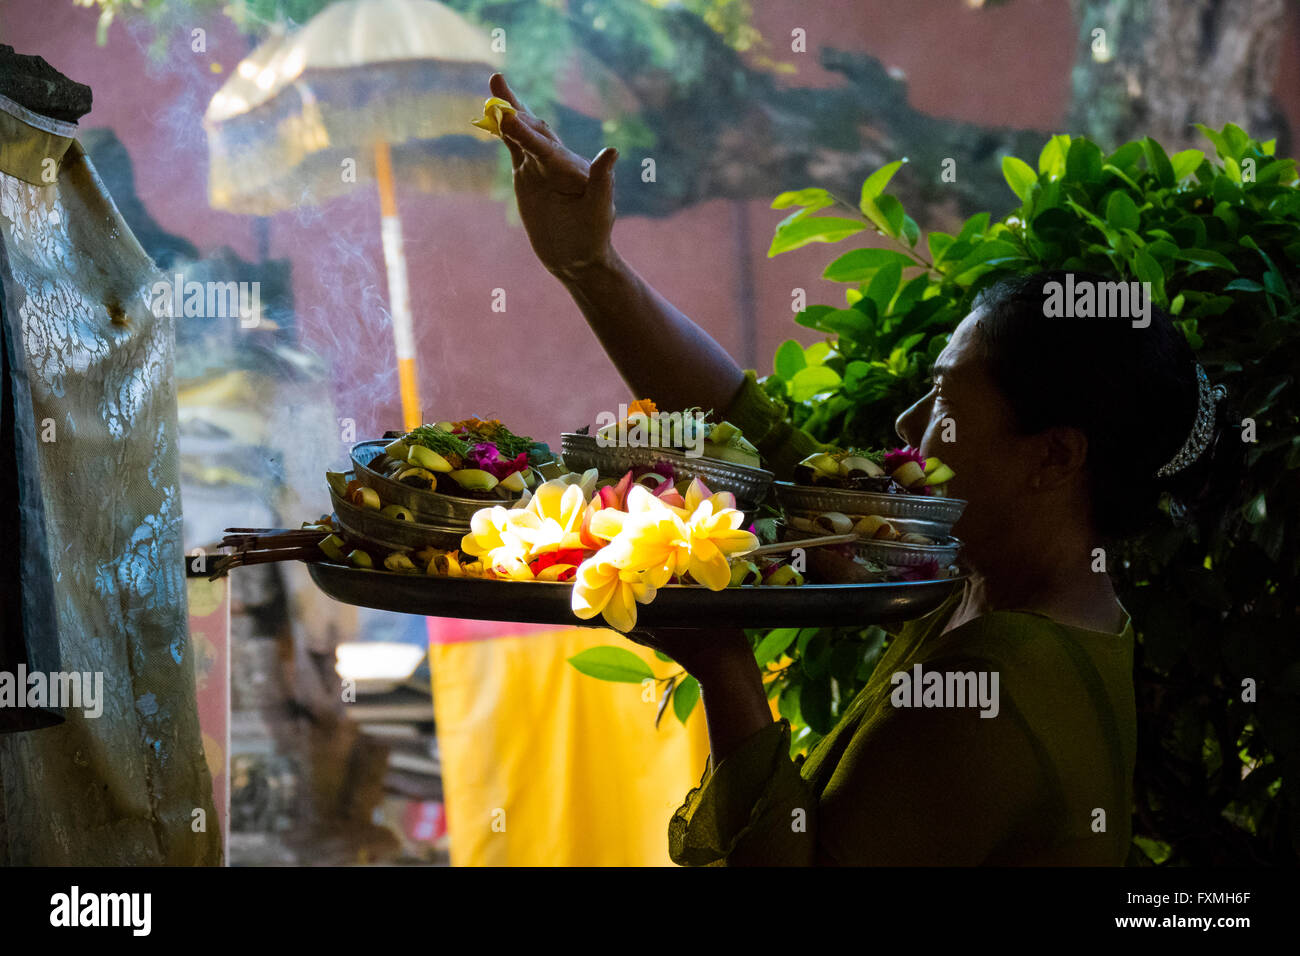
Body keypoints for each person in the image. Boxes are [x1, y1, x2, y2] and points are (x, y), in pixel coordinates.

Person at [485, 74, 1233, 865]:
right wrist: (590, 265)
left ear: (1053, 457)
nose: (907, 430)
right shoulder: (992, 586)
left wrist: (725, 665)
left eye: (944, 406)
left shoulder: (1000, 683)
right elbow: (771, 445)